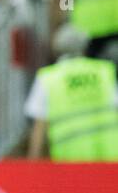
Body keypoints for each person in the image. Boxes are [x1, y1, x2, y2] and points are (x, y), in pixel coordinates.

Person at [25, 25, 118, 162]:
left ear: (57, 49)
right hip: (111, 160)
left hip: (71, 164)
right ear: (85, 47)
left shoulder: (48, 78)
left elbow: (39, 127)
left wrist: (32, 165)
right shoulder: (103, 71)